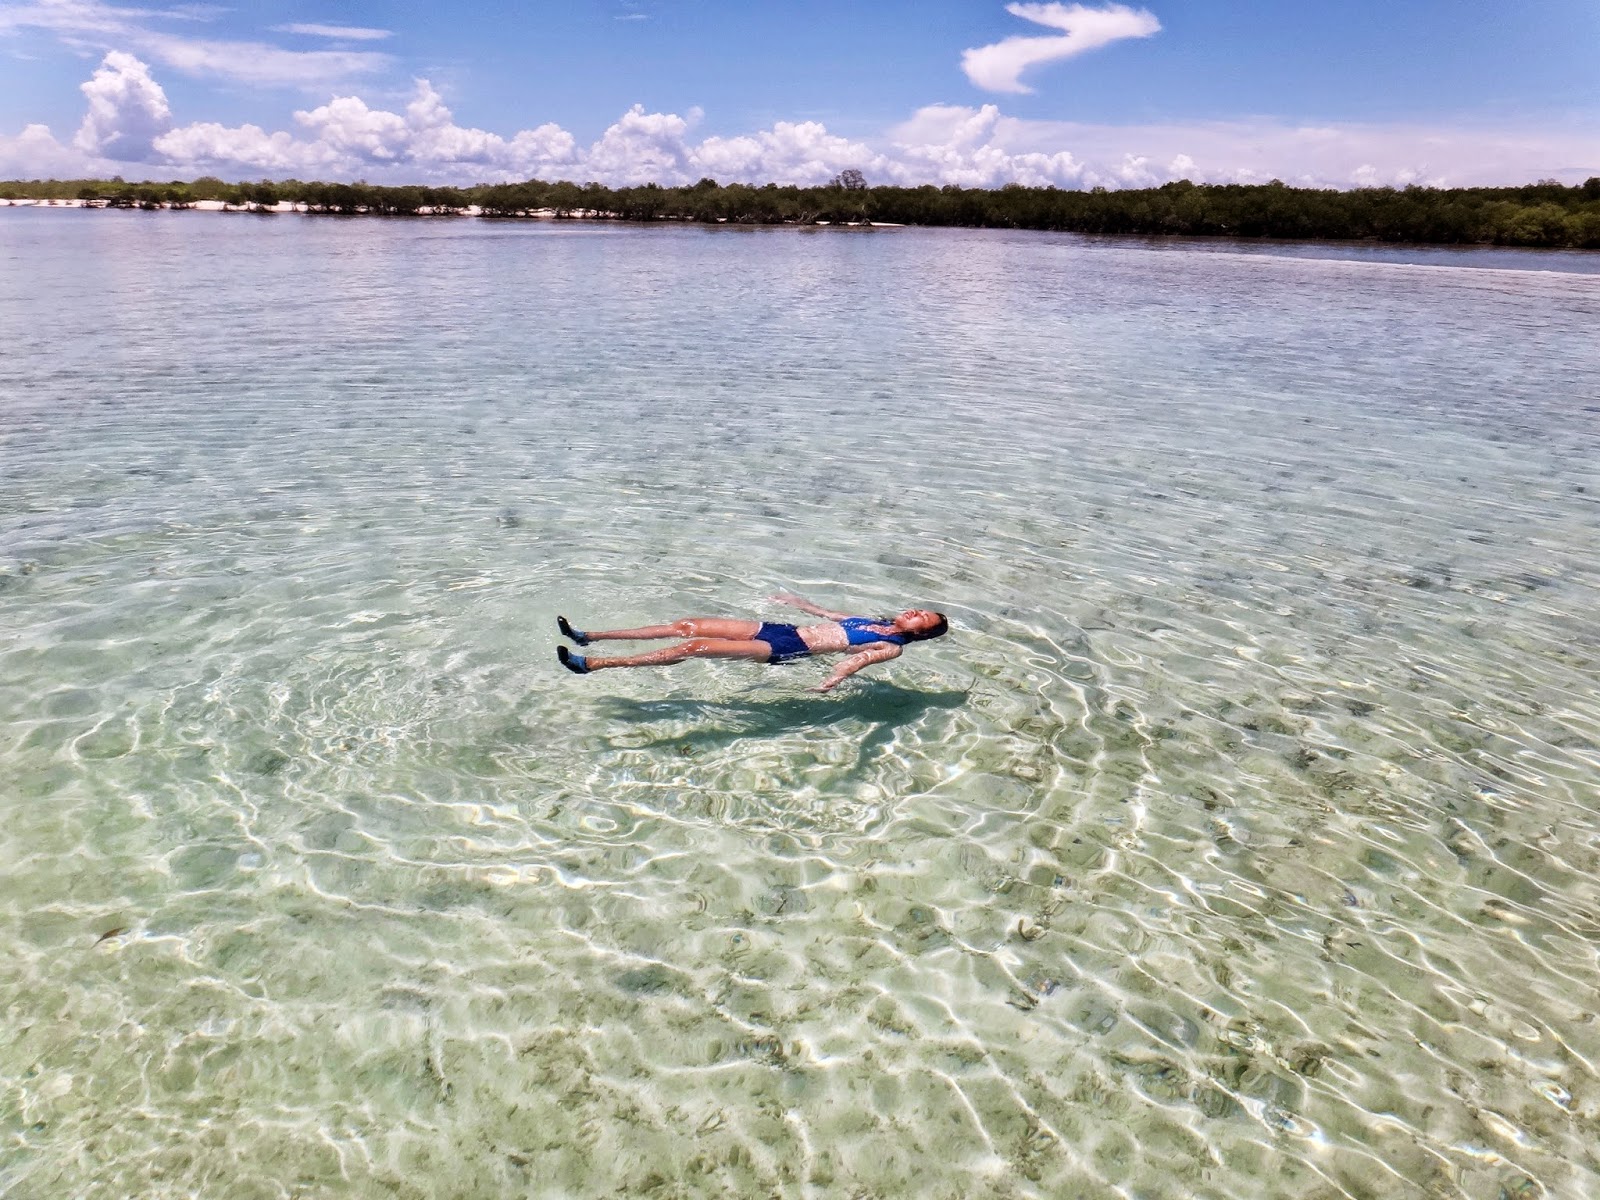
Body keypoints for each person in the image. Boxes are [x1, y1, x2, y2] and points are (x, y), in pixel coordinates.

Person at [555, 592, 949, 692]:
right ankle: (588, 636)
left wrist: (833, 680)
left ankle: (594, 664)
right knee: (686, 625)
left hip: (787, 649)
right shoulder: (870, 620)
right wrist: (796, 602)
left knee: (693, 649)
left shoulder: (892, 647)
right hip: (783, 629)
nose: (914, 611)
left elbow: (856, 662)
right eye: (918, 609)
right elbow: (828, 616)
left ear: (921, 632)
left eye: (921, 617)